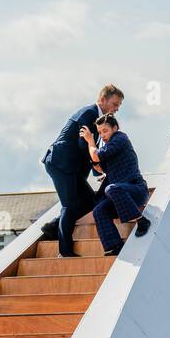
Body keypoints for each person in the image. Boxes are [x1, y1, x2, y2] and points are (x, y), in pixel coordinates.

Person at [40, 84, 125, 256]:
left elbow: (89, 148)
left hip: (72, 167)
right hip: (61, 163)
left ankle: (52, 226)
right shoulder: (89, 113)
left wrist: (98, 170)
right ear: (103, 100)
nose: (117, 109)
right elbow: (83, 144)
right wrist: (98, 168)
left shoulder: (99, 120)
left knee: (90, 202)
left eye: (119, 106)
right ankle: (64, 251)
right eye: (115, 104)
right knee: (69, 206)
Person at [81, 113, 151, 257]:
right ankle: (114, 246)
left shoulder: (120, 138)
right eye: (100, 132)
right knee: (99, 211)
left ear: (115, 128)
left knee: (111, 188)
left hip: (136, 191)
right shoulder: (109, 148)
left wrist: (90, 141)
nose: (103, 135)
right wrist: (95, 158)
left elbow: (95, 156)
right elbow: (99, 167)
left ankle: (141, 221)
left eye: (105, 131)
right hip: (120, 197)